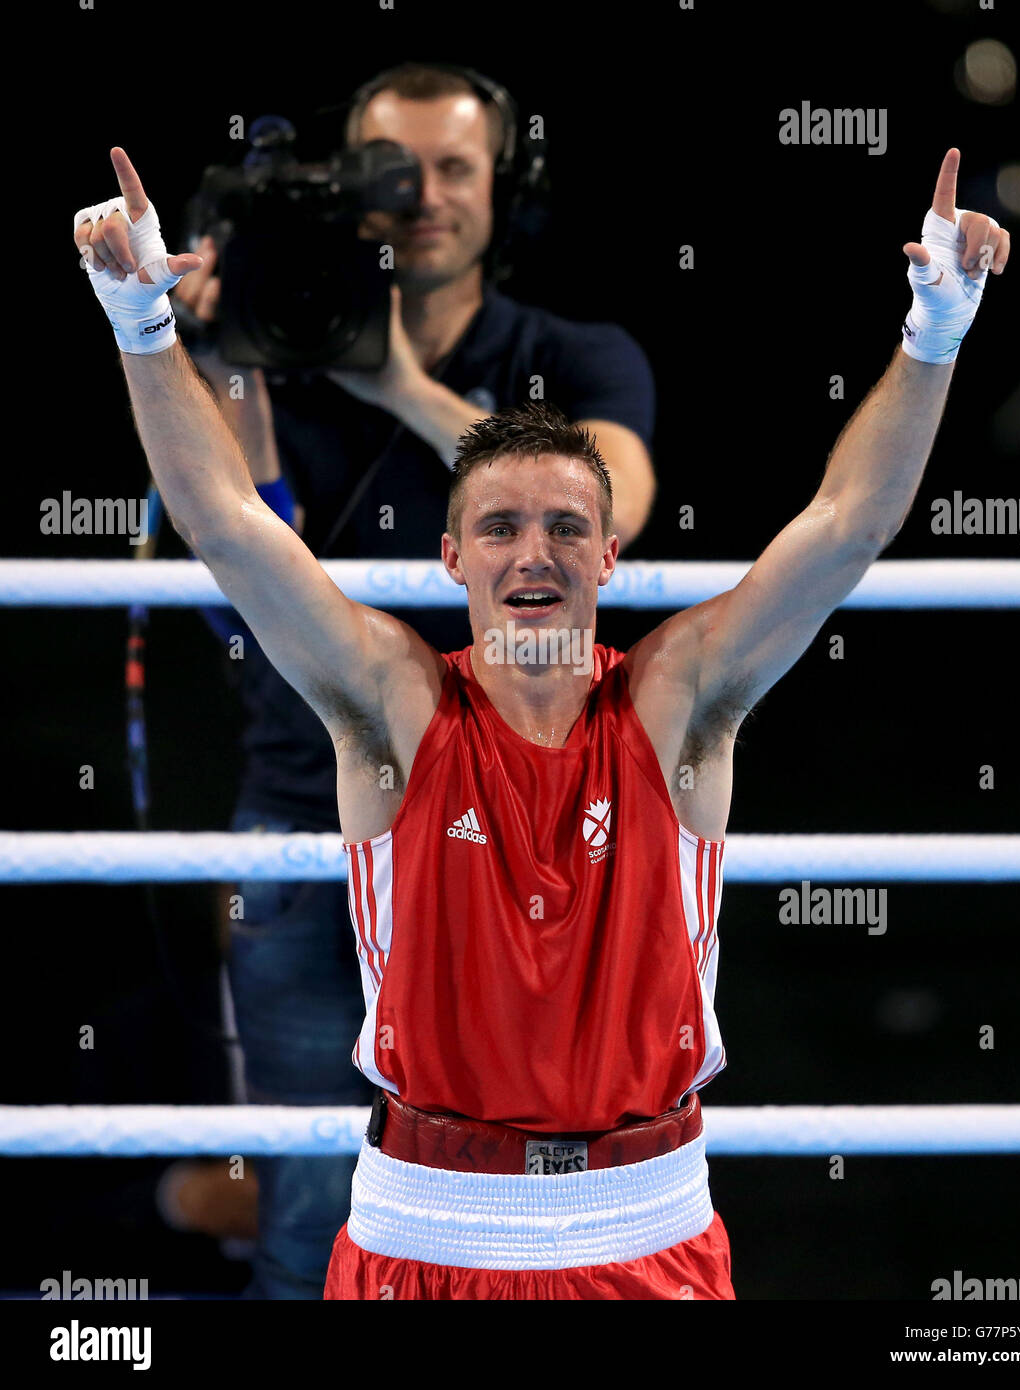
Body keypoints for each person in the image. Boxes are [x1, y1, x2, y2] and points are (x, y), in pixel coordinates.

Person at [74, 145, 1008, 1299]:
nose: (535, 552)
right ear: (452, 555)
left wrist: (935, 331)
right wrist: (139, 320)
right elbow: (224, 523)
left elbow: (845, 525)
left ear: (610, 555)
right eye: (502, 526)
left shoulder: (680, 703)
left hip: (645, 1228)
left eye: (567, 527)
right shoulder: (391, 703)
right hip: (424, 1228)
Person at [169, 63, 657, 1298]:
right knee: (301, 1210)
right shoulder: (269, 340)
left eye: (455, 168)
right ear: (348, 188)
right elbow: (233, 525)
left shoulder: (572, 353)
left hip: (535, 821)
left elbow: (616, 513)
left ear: (508, 185)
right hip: (301, 810)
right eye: (396, 172)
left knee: (527, 1171)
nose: (426, 198)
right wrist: (202, 346)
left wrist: (392, 381)